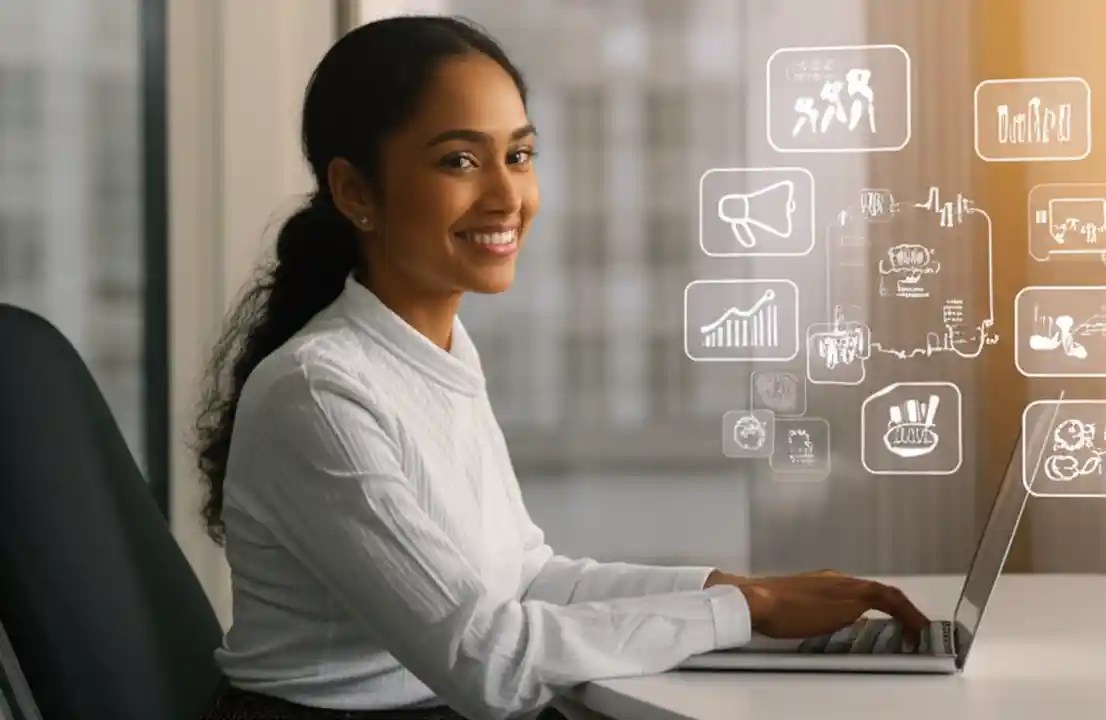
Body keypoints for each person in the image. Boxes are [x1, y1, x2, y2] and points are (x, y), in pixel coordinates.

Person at [194, 16, 929, 720]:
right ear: (356, 192)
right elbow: (490, 664)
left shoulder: (433, 357)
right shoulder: (319, 393)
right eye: (460, 160)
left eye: (518, 155)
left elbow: (528, 579)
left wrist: (731, 590)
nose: (508, 195)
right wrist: (741, 613)